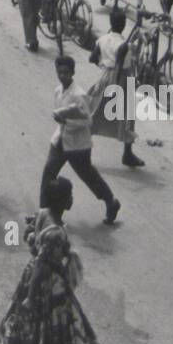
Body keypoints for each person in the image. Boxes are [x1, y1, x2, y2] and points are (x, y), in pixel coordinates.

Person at [0, 177, 104, 344]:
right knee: (70, 328)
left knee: (26, 326)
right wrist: (31, 298)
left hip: (34, 278)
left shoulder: (44, 214)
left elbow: (33, 239)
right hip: (48, 286)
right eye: (69, 196)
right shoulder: (56, 233)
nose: (72, 199)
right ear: (62, 201)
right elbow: (43, 265)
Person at [40, 54, 120, 224]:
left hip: (78, 145)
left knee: (88, 176)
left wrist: (66, 120)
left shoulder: (79, 94)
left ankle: (110, 201)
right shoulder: (58, 90)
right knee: (48, 172)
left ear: (73, 72)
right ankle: (43, 211)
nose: (63, 76)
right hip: (60, 139)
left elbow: (87, 120)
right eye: (60, 72)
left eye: (66, 73)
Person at [85, 7, 143, 168]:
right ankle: (127, 153)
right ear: (124, 25)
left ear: (111, 22)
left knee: (94, 112)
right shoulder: (124, 45)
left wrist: (103, 65)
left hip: (105, 77)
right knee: (127, 117)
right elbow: (120, 65)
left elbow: (92, 58)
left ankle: (85, 152)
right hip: (120, 79)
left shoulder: (102, 39)